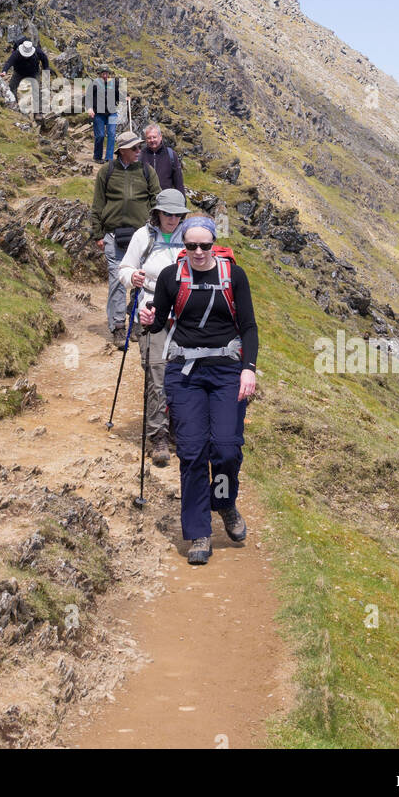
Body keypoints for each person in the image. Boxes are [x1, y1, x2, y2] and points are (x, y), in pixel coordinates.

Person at [140, 215, 258, 565]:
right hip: (185, 373)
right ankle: (198, 532)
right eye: (190, 246)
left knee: (224, 448)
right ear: (183, 246)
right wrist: (149, 319)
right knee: (192, 452)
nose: (198, 252)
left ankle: (223, 502)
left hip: (226, 371)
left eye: (205, 245)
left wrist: (248, 370)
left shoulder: (234, 276)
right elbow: (159, 321)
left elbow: (249, 326)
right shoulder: (170, 277)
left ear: (214, 244)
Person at [118, 189, 189, 467]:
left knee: (183, 372)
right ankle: (158, 435)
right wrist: (131, 276)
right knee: (157, 370)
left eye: (178, 214)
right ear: (157, 213)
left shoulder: (190, 237)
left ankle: (179, 429)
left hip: (185, 313)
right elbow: (124, 268)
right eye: (168, 213)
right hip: (151, 310)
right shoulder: (143, 237)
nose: (173, 219)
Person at [90, 131, 160, 345]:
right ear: (122, 150)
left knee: (141, 279)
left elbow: (157, 200)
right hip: (113, 235)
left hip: (142, 237)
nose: (140, 151)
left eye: (140, 147)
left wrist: (157, 228)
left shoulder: (147, 171)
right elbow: (98, 203)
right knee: (117, 281)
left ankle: (138, 322)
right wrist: (98, 234)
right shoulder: (107, 171)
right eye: (135, 148)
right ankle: (118, 327)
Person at [0, 38, 49, 110]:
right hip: (19, 73)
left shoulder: (37, 51)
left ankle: (38, 112)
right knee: (12, 87)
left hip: (34, 73)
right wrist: (4, 71)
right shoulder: (16, 53)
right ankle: (15, 106)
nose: (26, 56)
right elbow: (9, 62)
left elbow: (44, 58)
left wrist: (46, 69)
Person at [87, 66, 121, 163]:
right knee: (100, 135)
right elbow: (88, 97)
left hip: (112, 113)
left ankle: (109, 158)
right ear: (99, 74)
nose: (105, 75)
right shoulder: (94, 84)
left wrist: (126, 97)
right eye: (103, 73)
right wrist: (90, 108)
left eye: (107, 73)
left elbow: (118, 95)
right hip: (98, 113)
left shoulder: (114, 83)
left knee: (112, 133)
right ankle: (97, 157)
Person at [142, 122, 185, 198]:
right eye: (149, 138)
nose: (152, 140)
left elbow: (178, 182)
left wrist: (182, 202)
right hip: (145, 201)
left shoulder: (171, 155)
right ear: (146, 139)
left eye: (154, 137)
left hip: (166, 200)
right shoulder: (140, 155)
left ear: (160, 137)